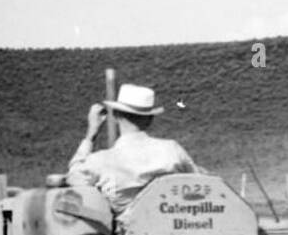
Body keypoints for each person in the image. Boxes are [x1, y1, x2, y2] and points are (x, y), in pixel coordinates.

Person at [67, 83, 198, 215]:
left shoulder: (101, 160)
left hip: (129, 233)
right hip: (175, 227)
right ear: (150, 119)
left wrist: (91, 134)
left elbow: (73, 177)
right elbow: (200, 181)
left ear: (116, 116)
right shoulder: (173, 150)